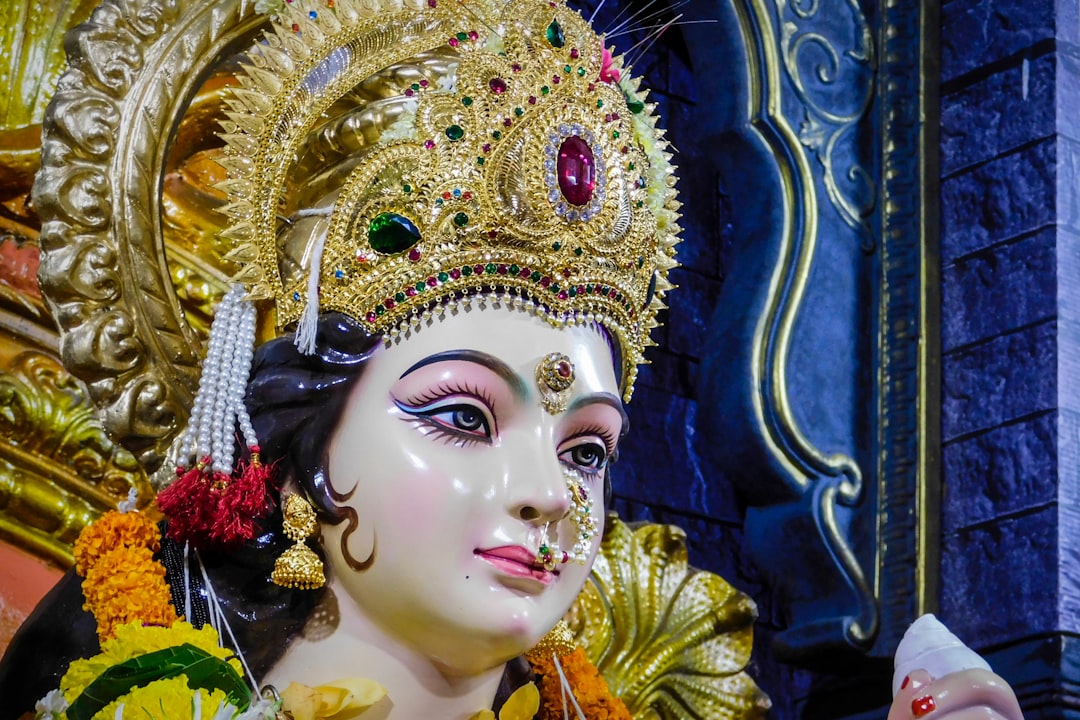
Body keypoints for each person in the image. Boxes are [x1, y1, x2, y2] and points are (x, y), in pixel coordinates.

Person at [0, 0, 1028, 717]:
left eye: (587, 449)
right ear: (304, 444)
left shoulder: (584, 703)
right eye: (460, 416)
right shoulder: (126, 693)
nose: (548, 494)